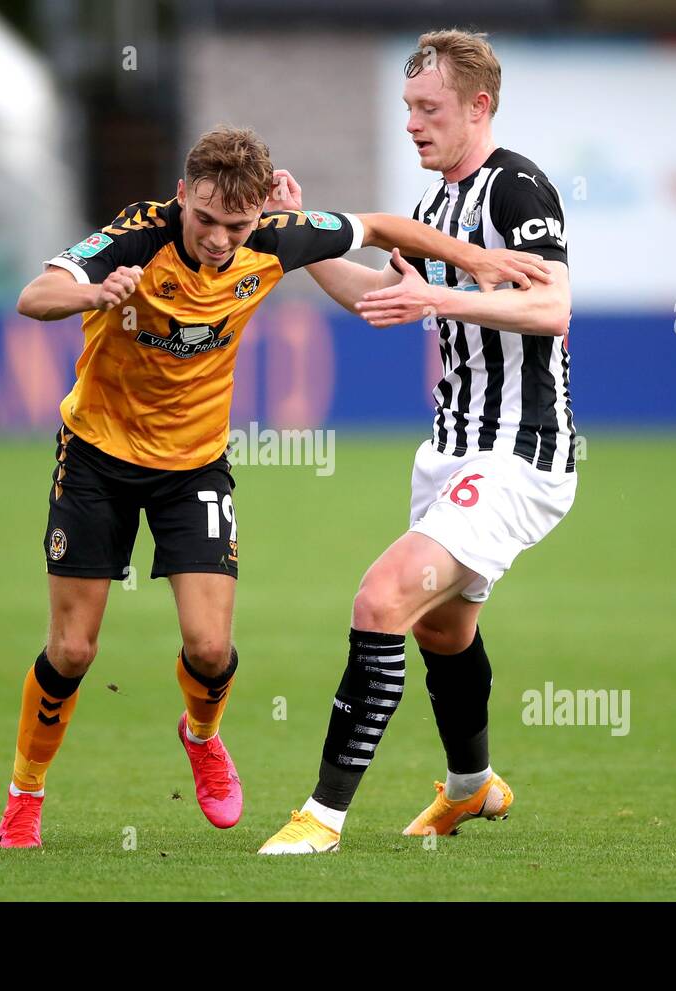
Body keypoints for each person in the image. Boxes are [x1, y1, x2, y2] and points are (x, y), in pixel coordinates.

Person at [0, 124, 552, 848]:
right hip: (96, 457)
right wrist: (94, 293)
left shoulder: (277, 236)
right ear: (180, 196)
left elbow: (379, 225)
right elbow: (33, 297)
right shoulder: (135, 237)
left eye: (237, 224)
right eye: (205, 220)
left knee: (210, 649)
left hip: (192, 465)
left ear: (259, 215)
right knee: (72, 650)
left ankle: (201, 735)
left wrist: (475, 258)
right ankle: (24, 796)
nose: (220, 240)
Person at [259, 29, 575, 855]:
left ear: (479, 106)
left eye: (428, 107)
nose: (411, 123)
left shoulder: (517, 187)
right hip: (449, 451)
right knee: (443, 631)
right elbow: (380, 297)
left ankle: (320, 818)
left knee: (381, 598)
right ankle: (473, 788)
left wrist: (443, 303)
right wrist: (299, 242)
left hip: (518, 450)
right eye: (406, 108)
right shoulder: (438, 209)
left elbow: (550, 308)